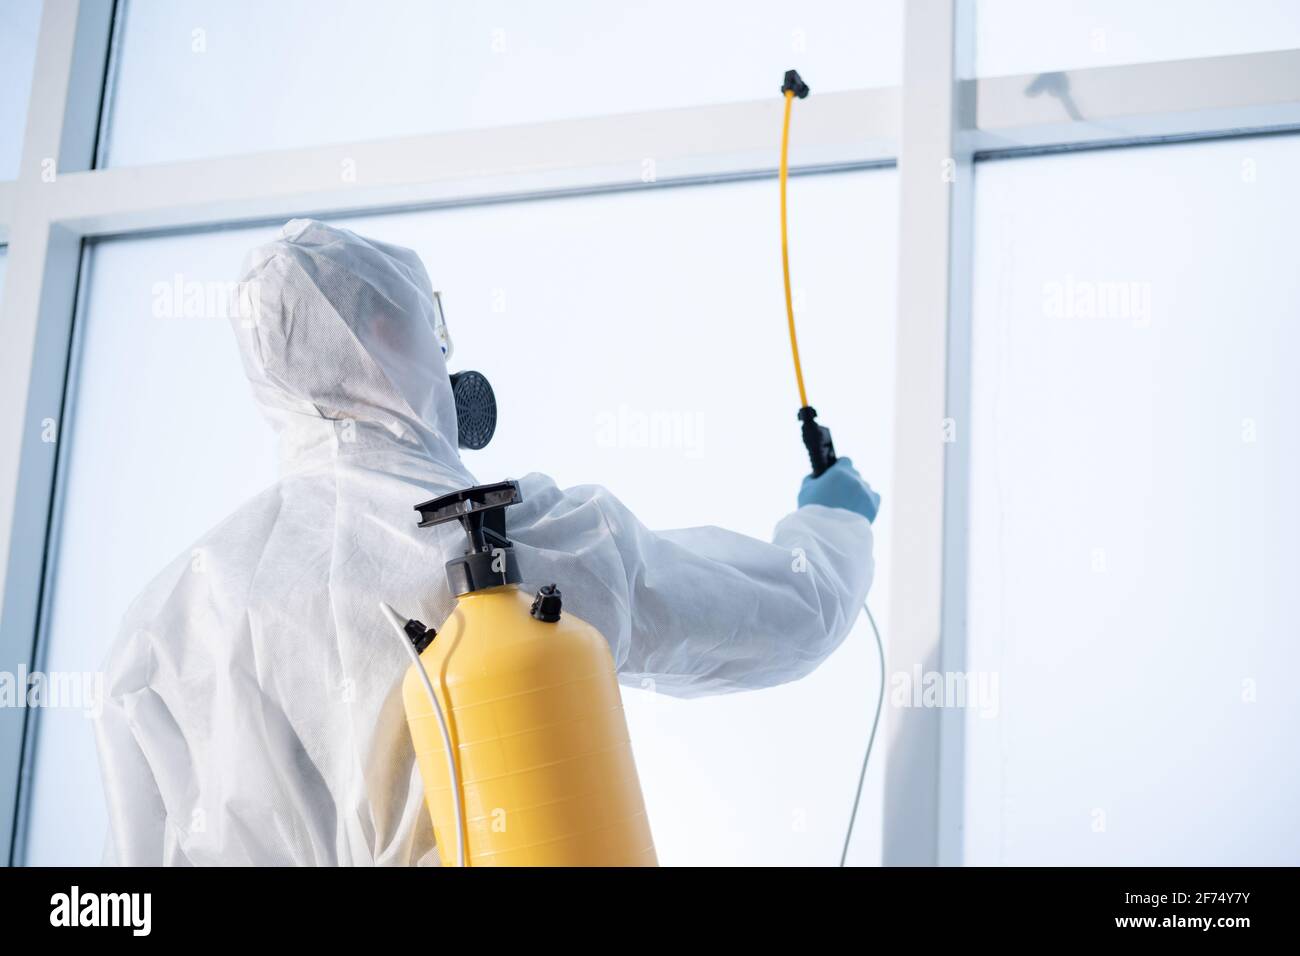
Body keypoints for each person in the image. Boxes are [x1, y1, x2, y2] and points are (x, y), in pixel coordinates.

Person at [94, 219, 880, 866]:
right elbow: (788, 615)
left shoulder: (163, 622)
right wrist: (833, 522)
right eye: (431, 330)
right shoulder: (515, 536)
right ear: (385, 329)